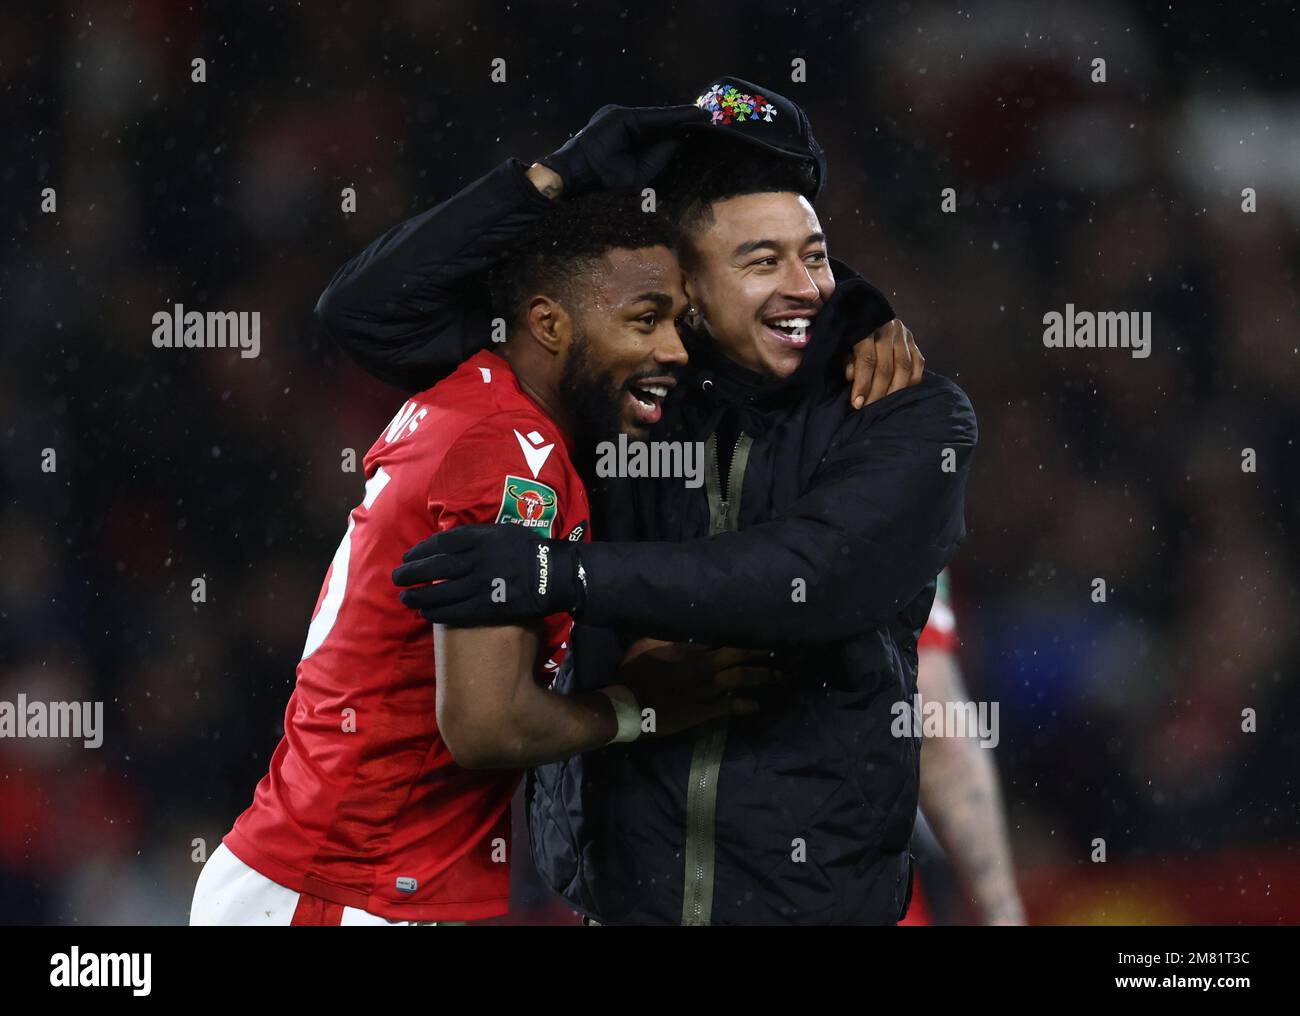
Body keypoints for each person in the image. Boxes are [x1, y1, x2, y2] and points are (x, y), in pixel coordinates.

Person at [326, 77, 977, 924]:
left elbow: (812, 579)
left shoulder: (906, 407)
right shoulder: (624, 385)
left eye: (812, 254)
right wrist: (554, 175)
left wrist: (561, 575)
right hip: (618, 900)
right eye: (759, 259)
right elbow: (367, 316)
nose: (805, 287)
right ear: (685, 287)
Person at [189, 193, 765, 925]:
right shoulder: (509, 454)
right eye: (644, 319)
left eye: (677, 323)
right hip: (344, 887)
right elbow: (485, 724)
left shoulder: (479, 404)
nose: (675, 351)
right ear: (549, 323)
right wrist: (638, 710)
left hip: (352, 878)